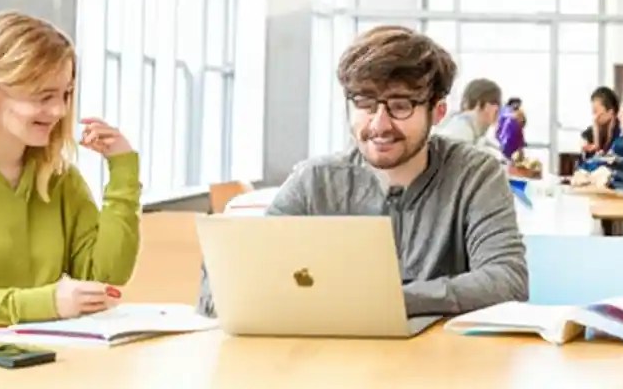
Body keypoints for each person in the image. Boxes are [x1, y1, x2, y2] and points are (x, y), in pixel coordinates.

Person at [198, 26, 527, 318]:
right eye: (365, 103)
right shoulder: (316, 182)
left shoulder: (476, 176)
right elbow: (228, 283)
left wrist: (384, 301)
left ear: (437, 111)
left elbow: (507, 280)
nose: (379, 124)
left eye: (401, 106)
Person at [0, 10, 141, 331]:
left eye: (65, 93)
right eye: (43, 96)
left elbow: (105, 278)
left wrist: (123, 170)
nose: (59, 110)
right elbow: (51, 302)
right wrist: (44, 303)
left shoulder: (58, 180)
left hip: (46, 366)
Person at [434, 78, 503, 159]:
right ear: (479, 103)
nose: (498, 109)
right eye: (495, 102)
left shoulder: (470, 130)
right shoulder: (459, 132)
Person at [495, 97, 525, 162]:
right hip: (506, 141)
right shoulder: (506, 113)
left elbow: (522, 123)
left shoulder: (517, 113)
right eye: (517, 104)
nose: (518, 106)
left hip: (512, 141)